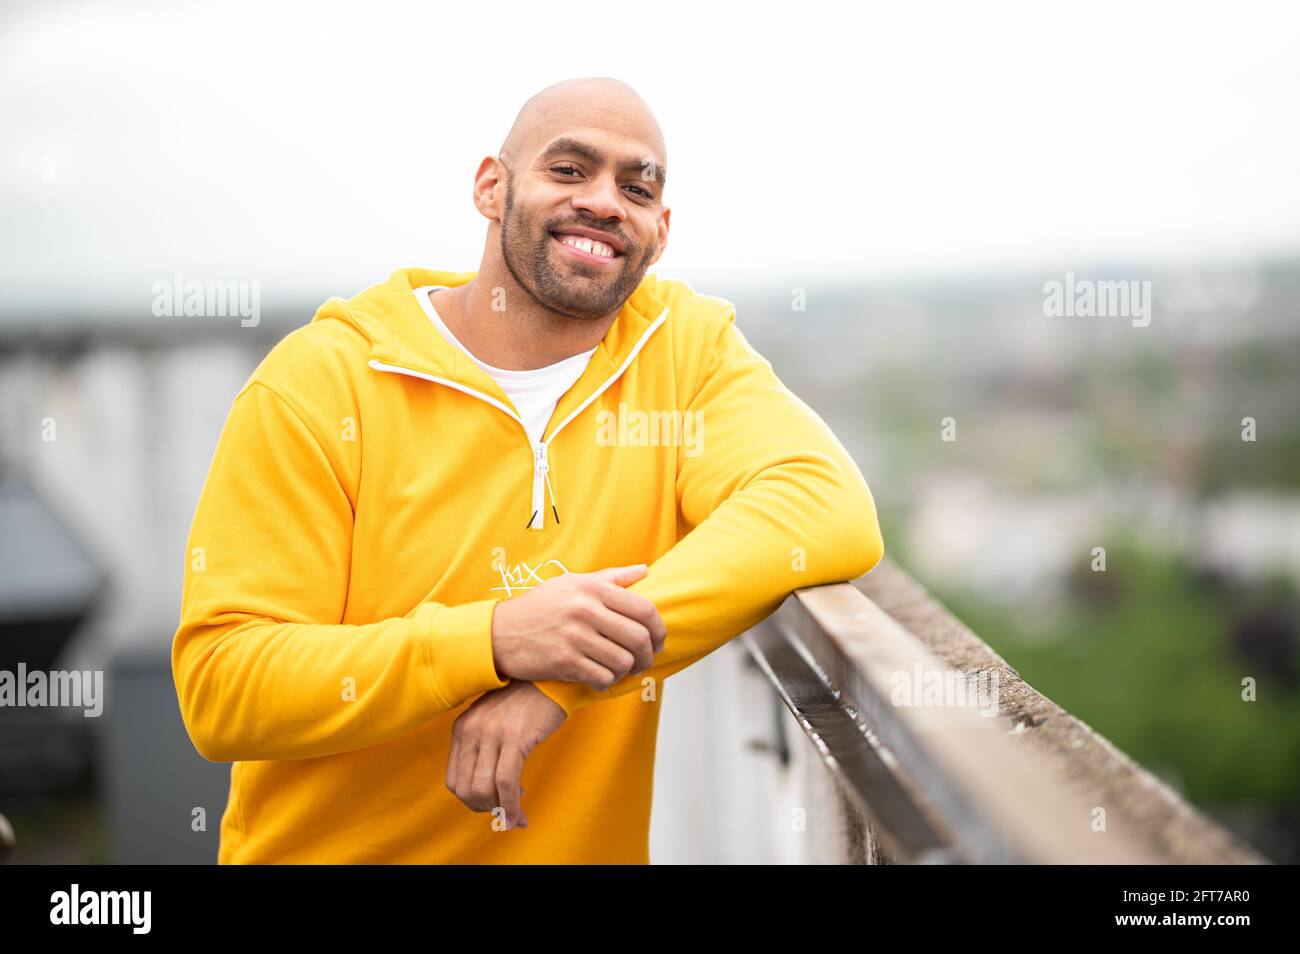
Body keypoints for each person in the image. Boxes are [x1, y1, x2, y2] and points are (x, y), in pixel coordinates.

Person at [171, 77, 884, 863]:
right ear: (491, 187)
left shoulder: (682, 351)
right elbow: (222, 687)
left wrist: (564, 673)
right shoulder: (323, 381)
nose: (606, 202)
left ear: (661, 227)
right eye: (569, 170)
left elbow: (825, 504)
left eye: (636, 186)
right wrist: (496, 640)